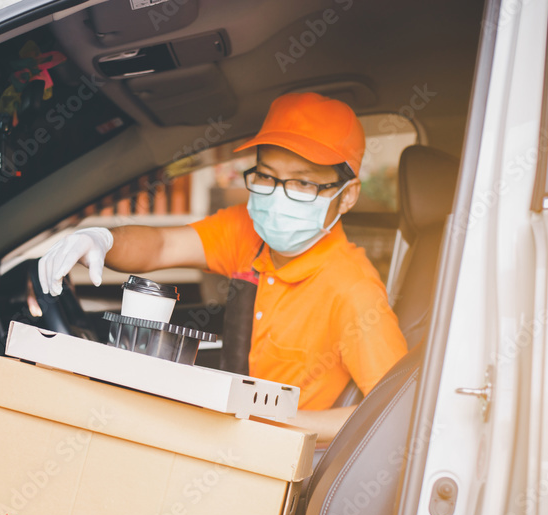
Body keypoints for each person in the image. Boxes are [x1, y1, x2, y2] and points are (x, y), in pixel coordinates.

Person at [38, 92, 407, 444]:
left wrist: (272, 422)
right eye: (266, 176)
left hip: (274, 462)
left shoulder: (353, 290)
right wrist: (102, 239)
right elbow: (163, 245)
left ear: (348, 195)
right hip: (226, 442)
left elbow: (393, 411)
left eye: (303, 182)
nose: (278, 195)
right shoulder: (248, 232)